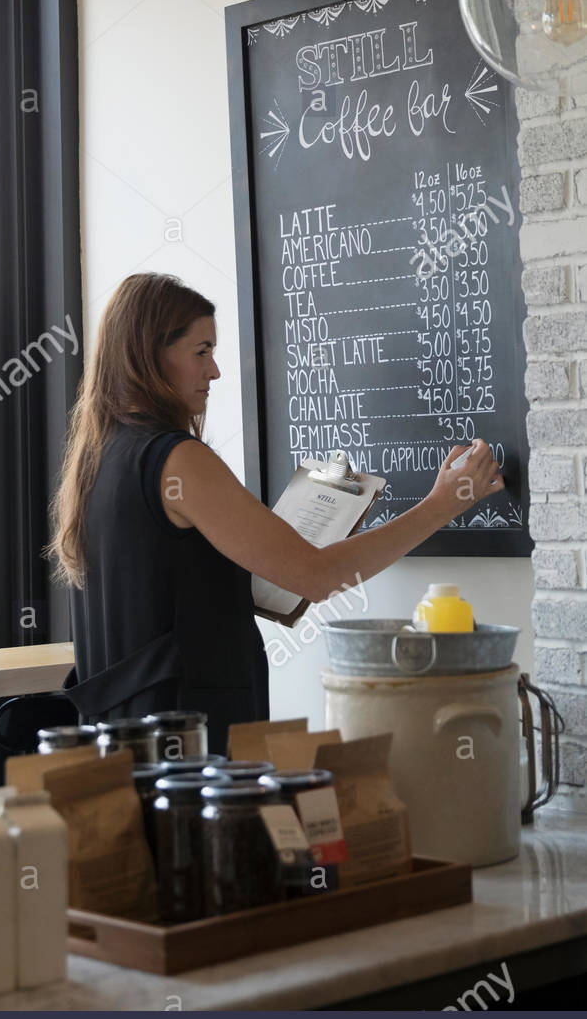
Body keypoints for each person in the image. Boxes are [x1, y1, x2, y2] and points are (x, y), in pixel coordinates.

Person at [46, 273, 505, 753]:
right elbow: (318, 576)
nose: (215, 371)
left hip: (127, 741)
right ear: (150, 354)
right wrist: (441, 505)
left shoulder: (97, 458)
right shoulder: (176, 460)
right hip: (188, 744)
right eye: (201, 351)